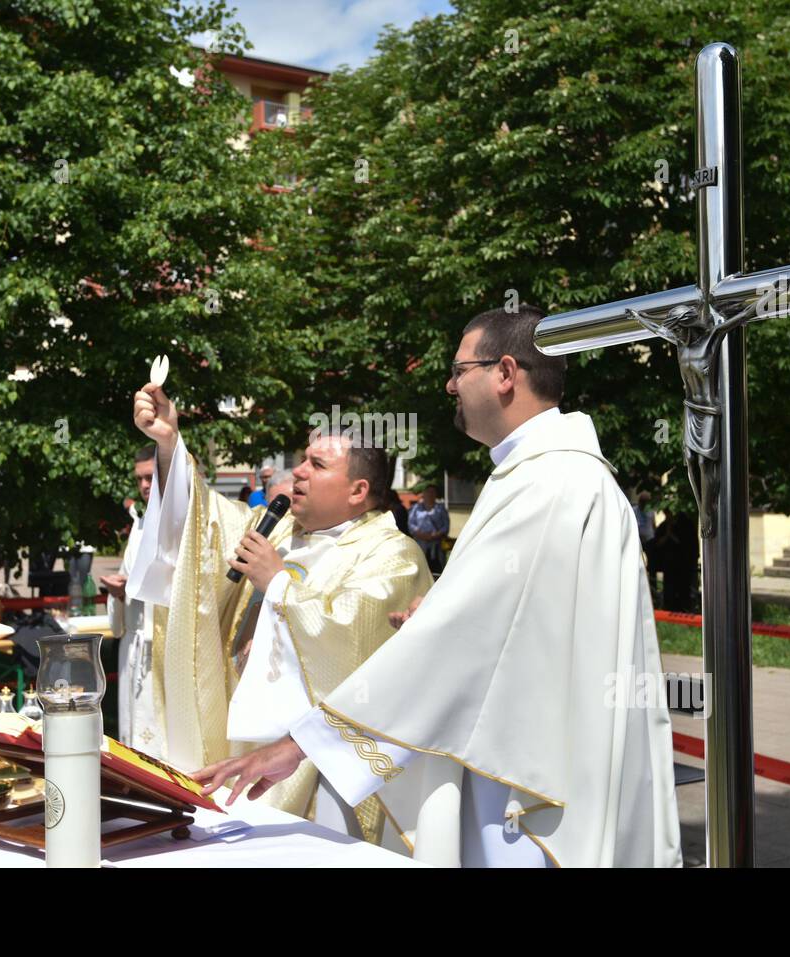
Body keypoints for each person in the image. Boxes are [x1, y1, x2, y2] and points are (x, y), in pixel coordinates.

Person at [194, 304, 682, 868]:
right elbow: (516, 625)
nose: (450, 384)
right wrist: (443, 607)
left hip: (526, 782)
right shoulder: (550, 473)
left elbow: (456, 644)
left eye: (459, 369)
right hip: (534, 752)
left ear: (504, 373)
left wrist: (300, 746)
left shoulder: (547, 481)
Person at [129, 380, 432, 843]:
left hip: (314, 765)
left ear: (358, 490)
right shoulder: (278, 529)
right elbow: (198, 525)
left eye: (317, 464)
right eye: (302, 460)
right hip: (239, 744)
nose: (299, 473)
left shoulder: (393, 554)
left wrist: (278, 586)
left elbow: (357, 641)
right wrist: (168, 443)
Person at [100, 447, 163, 755]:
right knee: (132, 726)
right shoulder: (139, 525)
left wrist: (134, 588)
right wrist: (119, 592)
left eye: (151, 477)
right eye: (140, 479)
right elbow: (128, 575)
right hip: (135, 644)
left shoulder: (185, 526)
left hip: (163, 645)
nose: (144, 486)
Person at [408, 485, 450, 574]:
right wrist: (421, 534)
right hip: (421, 544)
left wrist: (437, 534)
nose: (430, 494)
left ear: (436, 494)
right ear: (424, 494)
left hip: (437, 546)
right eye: (428, 492)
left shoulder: (441, 508)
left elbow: (446, 525)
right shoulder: (416, 508)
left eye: (432, 492)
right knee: (421, 569)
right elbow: (411, 524)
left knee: (437, 570)